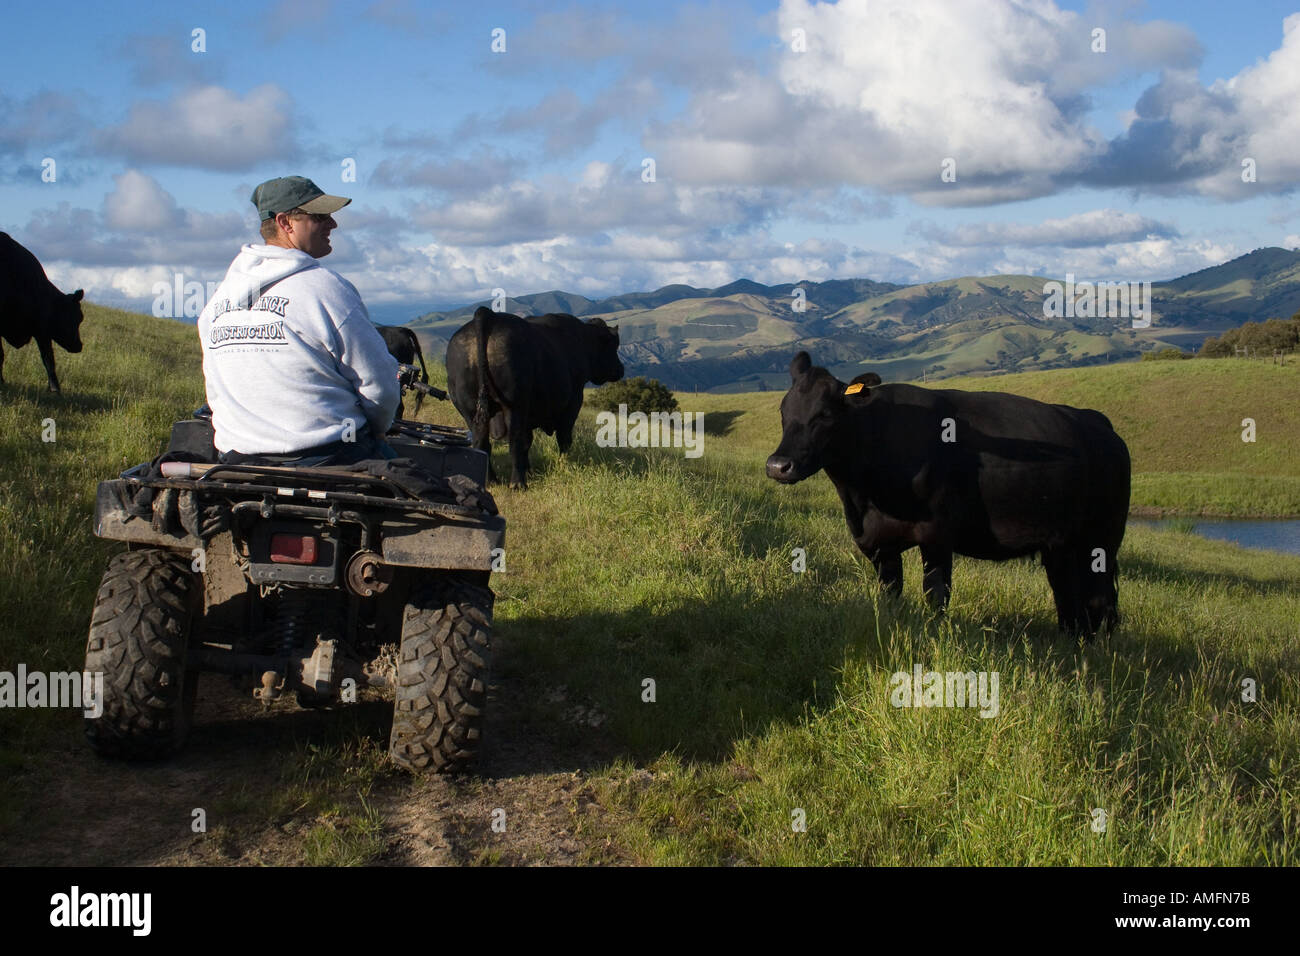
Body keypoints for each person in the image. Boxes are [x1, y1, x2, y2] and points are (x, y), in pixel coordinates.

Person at [197, 175, 400, 466]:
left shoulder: (217, 301)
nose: (333, 224)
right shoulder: (326, 289)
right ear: (285, 223)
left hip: (239, 460)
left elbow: (215, 391)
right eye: (320, 216)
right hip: (329, 455)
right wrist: (379, 429)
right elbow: (379, 385)